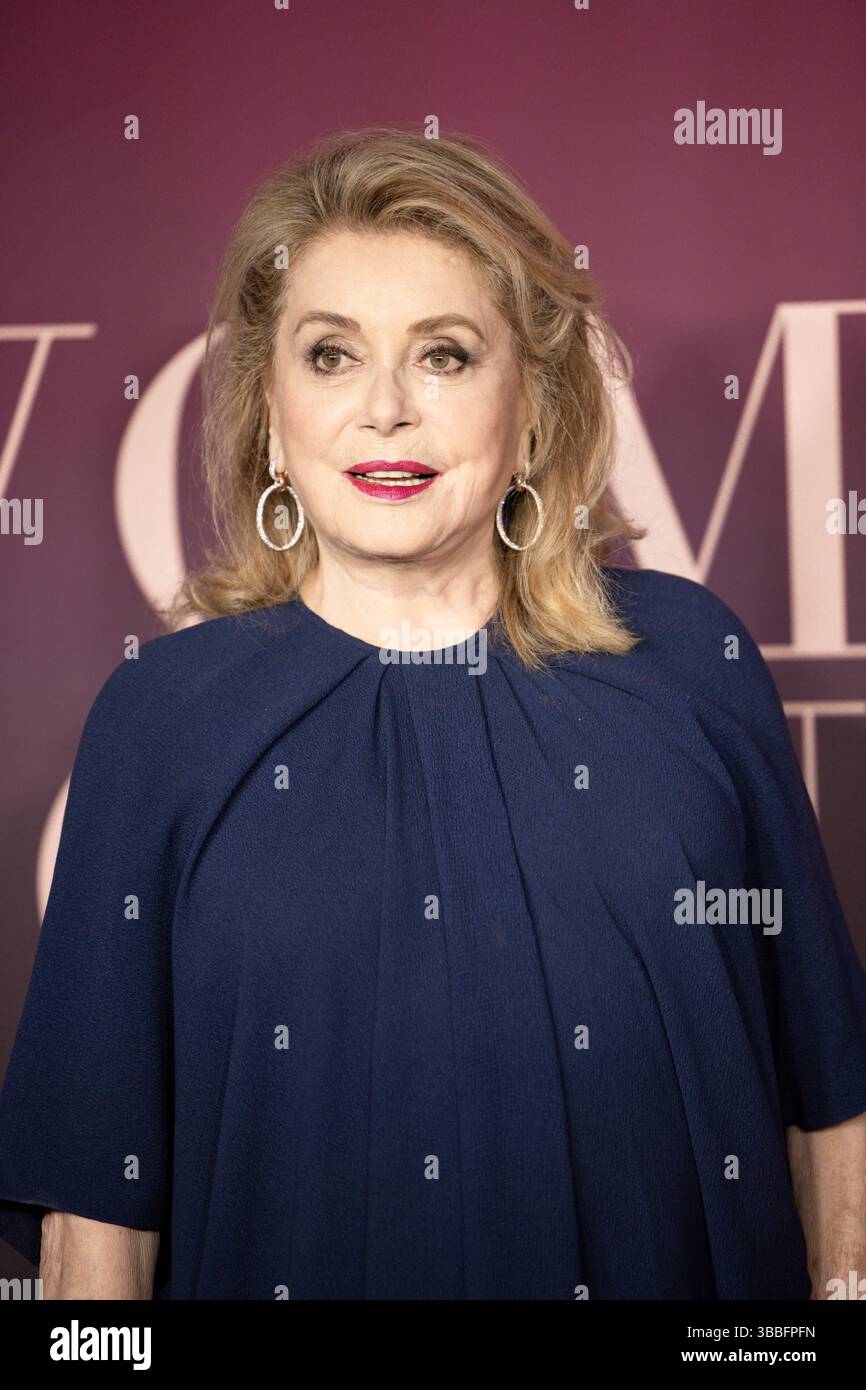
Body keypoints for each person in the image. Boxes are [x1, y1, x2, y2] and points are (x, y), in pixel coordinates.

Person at [1, 126, 865, 1301]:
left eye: (445, 355)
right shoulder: (161, 724)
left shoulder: (691, 664)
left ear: (533, 407)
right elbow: (93, 1230)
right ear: (266, 408)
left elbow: (832, 1098)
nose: (386, 411)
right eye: (330, 355)